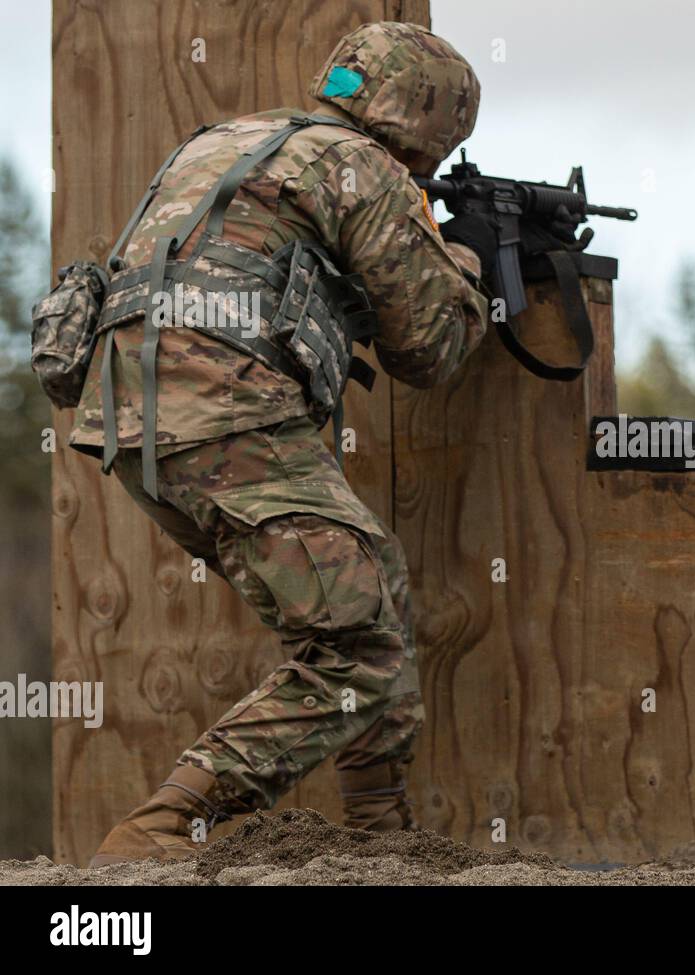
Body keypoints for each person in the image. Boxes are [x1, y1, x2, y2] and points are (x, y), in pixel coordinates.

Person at [76, 21, 495, 867]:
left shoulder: (230, 140)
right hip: (230, 414)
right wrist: (469, 268)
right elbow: (429, 349)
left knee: (367, 586)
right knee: (358, 645)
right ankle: (162, 827)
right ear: (429, 119)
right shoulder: (359, 167)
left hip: (134, 425)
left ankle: (377, 825)